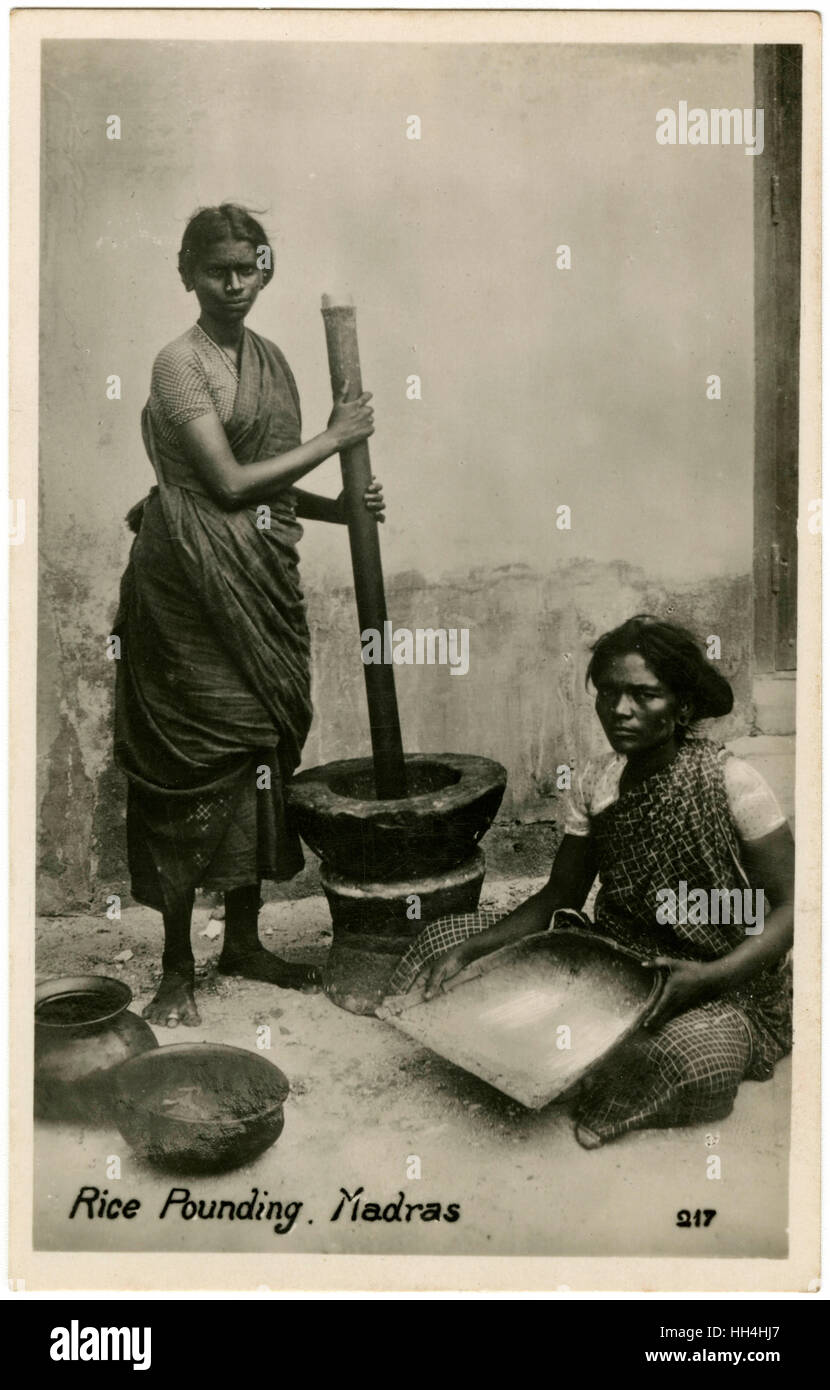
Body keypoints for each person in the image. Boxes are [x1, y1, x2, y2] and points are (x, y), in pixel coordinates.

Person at [114, 203, 382, 1028]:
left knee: (261, 743)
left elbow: (264, 482)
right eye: (217, 269)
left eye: (249, 267)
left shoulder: (267, 359)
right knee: (193, 760)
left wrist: (343, 510)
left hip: (258, 581)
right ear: (187, 273)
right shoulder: (177, 365)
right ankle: (175, 965)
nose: (234, 284)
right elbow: (226, 484)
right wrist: (339, 436)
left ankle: (243, 941)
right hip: (183, 588)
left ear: (266, 269)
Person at [387, 616, 794, 1149]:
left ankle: (612, 1068)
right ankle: (594, 1051)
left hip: (718, 974)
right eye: (609, 693)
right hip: (615, 956)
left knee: (690, 1059)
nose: (621, 710)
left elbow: (797, 907)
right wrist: (473, 950)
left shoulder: (732, 781)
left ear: (682, 707)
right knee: (445, 940)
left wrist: (710, 976)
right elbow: (561, 897)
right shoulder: (596, 780)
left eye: (644, 695)